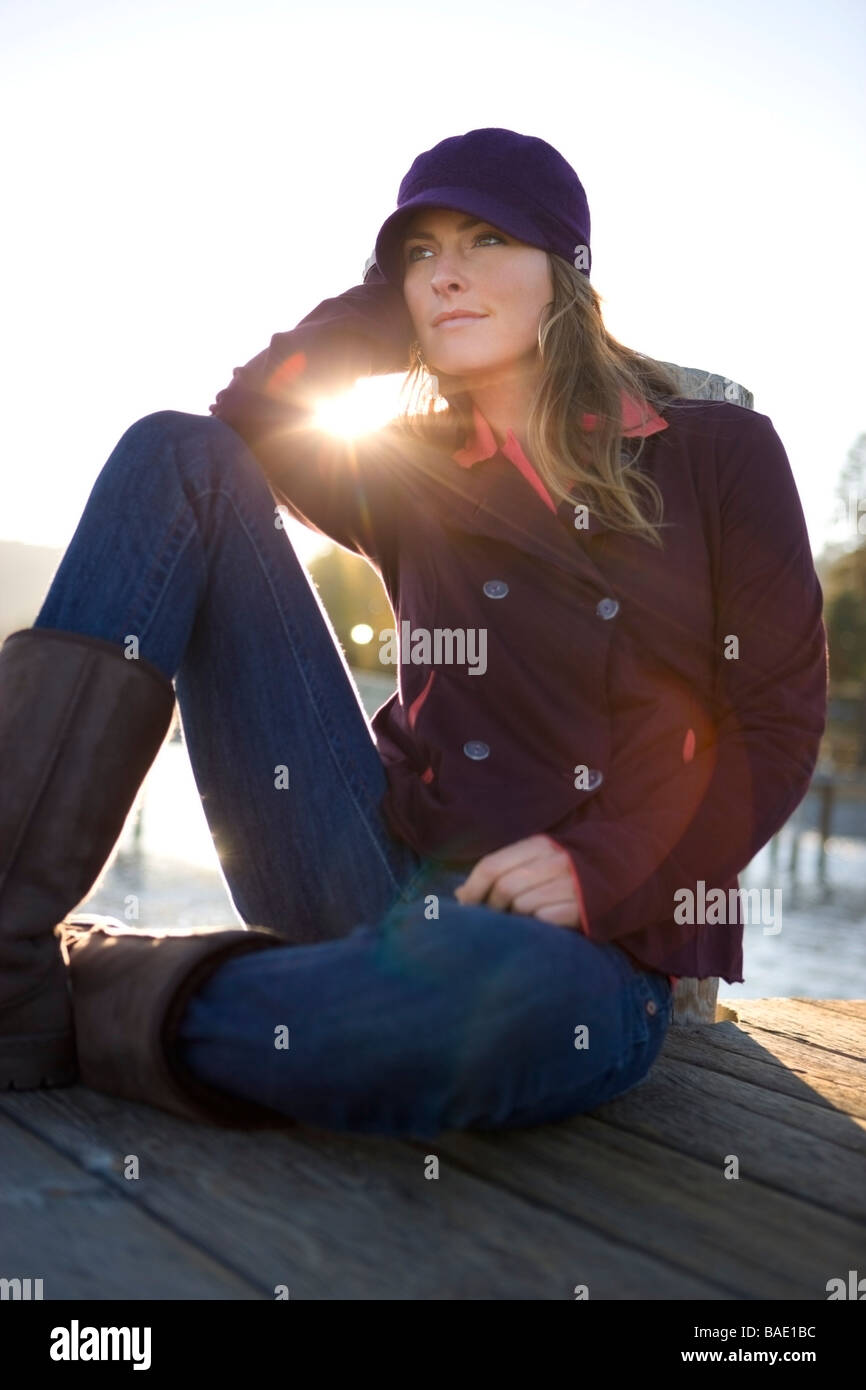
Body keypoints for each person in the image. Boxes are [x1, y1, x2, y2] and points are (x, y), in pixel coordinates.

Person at [0, 128, 828, 1138]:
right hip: (366, 865)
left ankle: (101, 992)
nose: (447, 275)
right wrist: (386, 300)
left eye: (485, 240)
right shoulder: (410, 469)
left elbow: (773, 721)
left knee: (484, 1009)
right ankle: (5, 956)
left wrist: (596, 868)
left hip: (574, 953)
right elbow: (246, 417)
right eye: (420, 253)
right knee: (176, 449)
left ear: (564, 270)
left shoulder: (714, 454)